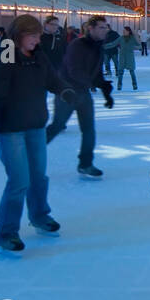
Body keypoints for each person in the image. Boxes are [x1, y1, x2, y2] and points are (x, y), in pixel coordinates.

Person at [0, 14, 73, 254]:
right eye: (32, 35)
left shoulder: (38, 55)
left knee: (39, 177)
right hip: (10, 130)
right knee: (20, 181)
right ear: (18, 36)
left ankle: (40, 215)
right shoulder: (8, 54)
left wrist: (65, 91)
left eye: (38, 35)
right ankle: (6, 233)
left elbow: (52, 79)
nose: (37, 39)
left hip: (35, 126)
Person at [49, 17, 117, 179]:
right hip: (67, 92)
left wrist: (106, 91)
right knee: (58, 126)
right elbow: (74, 71)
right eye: (101, 27)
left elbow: (97, 72)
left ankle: (85, 164)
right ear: (90, 29)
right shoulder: (77, 45)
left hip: (83, 93)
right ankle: (31, 154)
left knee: (88, 129)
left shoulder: (98, 47)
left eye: (105, 27)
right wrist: (92, 83)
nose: (105, 30)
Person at [117, 26, 140, 90]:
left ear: (128, 31)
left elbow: (139, 46)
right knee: (120, 72)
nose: (123, 32)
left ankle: (134, 85)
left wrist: (133, 48)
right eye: (123, 30)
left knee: (132, 72)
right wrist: (104, 46)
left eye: (125, 31)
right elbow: (113, 44)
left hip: (130, 58)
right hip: (122, 58)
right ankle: (119, 85)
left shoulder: (132, 38)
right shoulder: (121, 38)